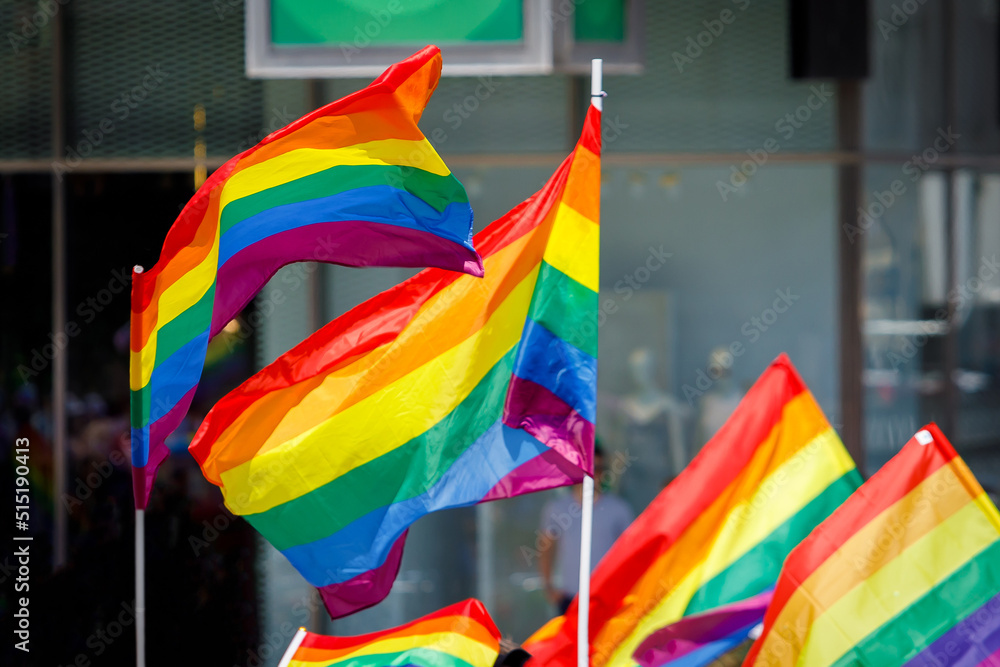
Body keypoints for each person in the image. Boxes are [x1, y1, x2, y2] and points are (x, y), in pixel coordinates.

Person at [538, 446, 635, 614]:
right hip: (569, 597)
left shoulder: (619, 509)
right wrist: (549, 587)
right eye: (588, 469)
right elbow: (546, 548)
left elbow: (631, 550)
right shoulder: (556, 508)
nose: (593, 475)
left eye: (598, 469)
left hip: (607, 598)